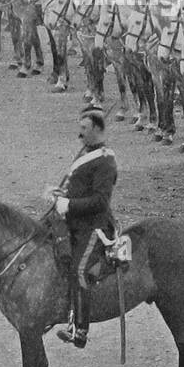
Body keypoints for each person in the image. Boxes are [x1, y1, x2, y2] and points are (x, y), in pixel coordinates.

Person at [47, 105, 118, 348]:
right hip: (75, 222)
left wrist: (68, 205)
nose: (80, 133)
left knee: (79, 270)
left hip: (95, 227)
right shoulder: (86, 150)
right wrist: (59, 193)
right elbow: (76, 183)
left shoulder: (106, 161)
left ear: (97, 128)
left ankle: (81, 330)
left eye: (84, 128)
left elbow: (100, 201)